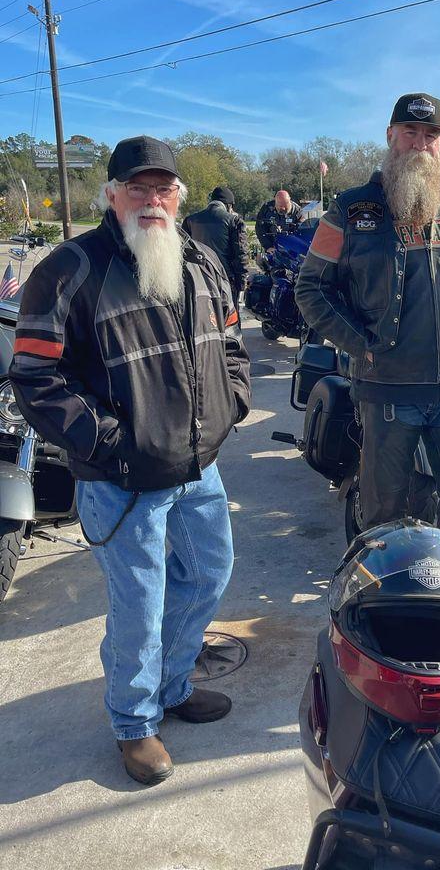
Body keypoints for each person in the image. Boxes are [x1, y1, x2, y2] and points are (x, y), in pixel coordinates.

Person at [9, 135, 251, 786]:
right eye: (137, 188)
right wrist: (110, 441)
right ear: (111, 195)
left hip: (199, 466)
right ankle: (134, 722)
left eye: (163, 188)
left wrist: (230, 404)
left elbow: (231, 341)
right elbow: (35, 375)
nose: (152, 200)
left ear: (179, 195)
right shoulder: (69, 269)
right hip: (122, 480)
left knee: (208, 576)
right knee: (139, 605)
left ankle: (172, 685)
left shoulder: (201, 260)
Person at [295, 92, 440, 563]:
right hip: (389, 391)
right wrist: (361, 344)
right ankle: (384, 600)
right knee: (384, 512)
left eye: (431, 135)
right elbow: (310, 288)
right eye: (410, 132)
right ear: (390, 135)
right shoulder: (349, 210)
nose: (420, 143)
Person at [182, 186, 250, 307]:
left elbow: (183, 251)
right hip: (225, 279)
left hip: (198, 278)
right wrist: (242, 283)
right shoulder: (234, 221)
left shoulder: (190, 220)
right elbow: (241, 253)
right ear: (229, 205)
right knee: (228, 315)